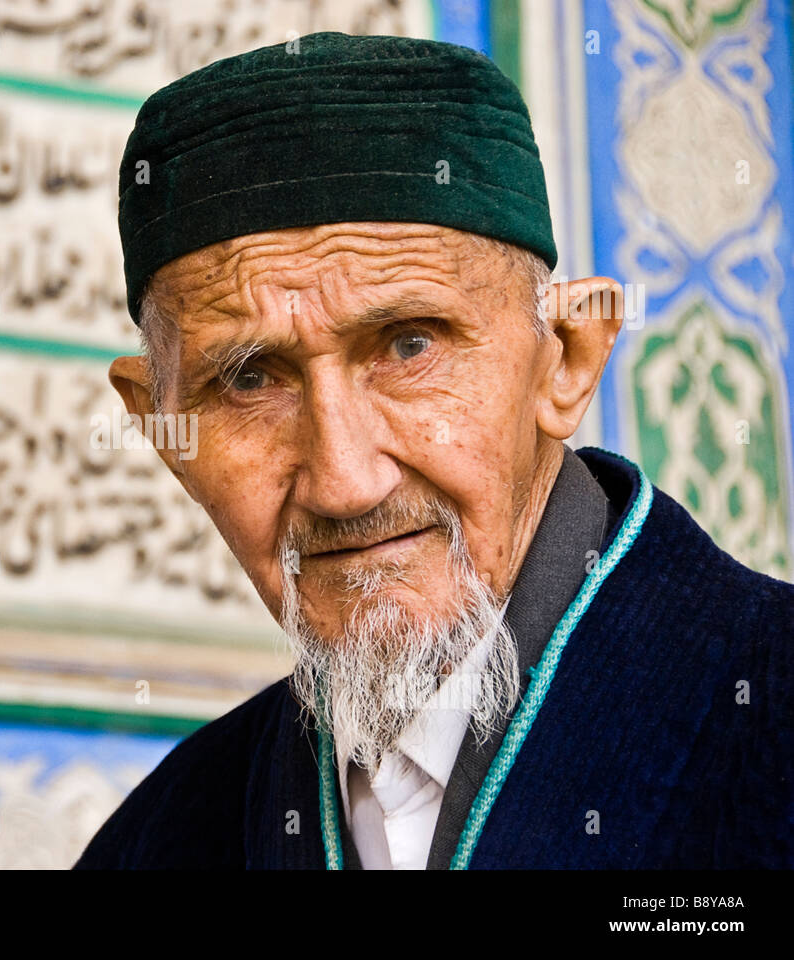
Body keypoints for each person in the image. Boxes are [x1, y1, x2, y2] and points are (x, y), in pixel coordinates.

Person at [74, 32, 794, 869]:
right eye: (249, 381)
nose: (345, 481)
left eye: (410, 346)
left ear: (565, 359)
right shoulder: (159, 840)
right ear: (165, 428)